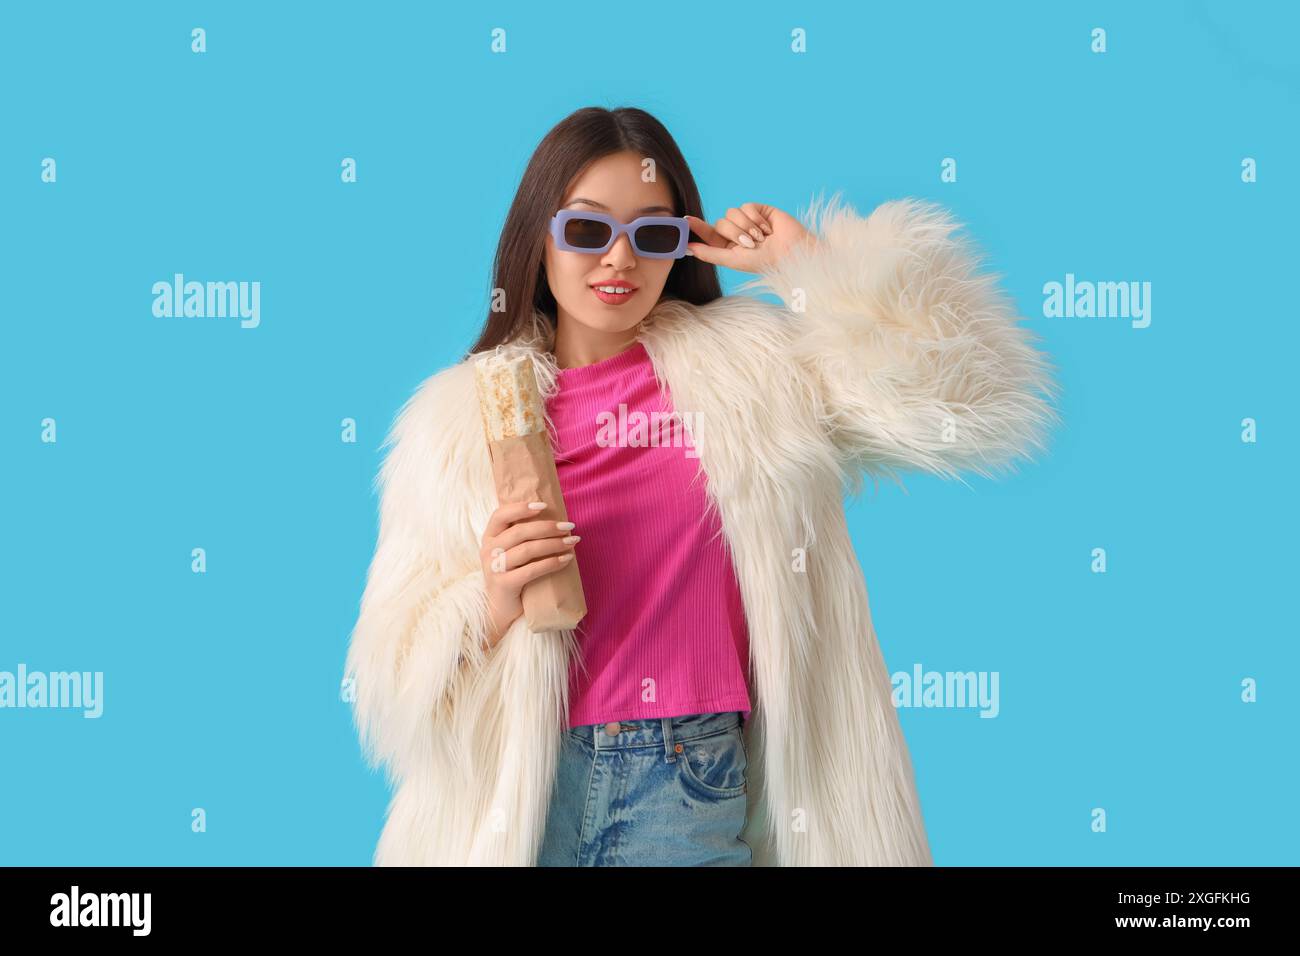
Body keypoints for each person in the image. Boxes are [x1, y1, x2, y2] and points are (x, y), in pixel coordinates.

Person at [343, 105, 1060, 866]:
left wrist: (808, 265)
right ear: (538, 241)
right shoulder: (457, 422)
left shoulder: (754, 374)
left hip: (683, 779)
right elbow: (392, 677)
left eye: (653, 234)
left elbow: (973, 406)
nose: (619, 260)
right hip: (516, 794)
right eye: (586, 231)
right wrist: (486, 603)